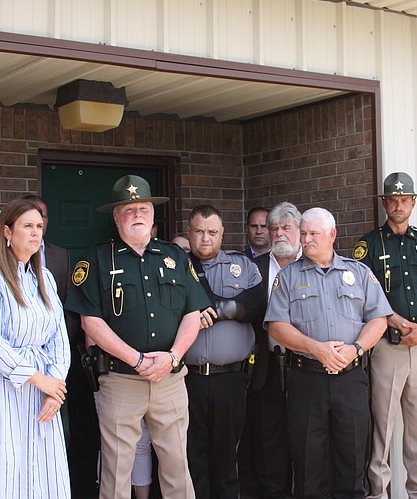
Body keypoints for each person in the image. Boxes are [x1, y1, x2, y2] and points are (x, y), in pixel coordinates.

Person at [65, 174, 211, 499]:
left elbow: (193, 313)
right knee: (116, 471)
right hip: (121, 380)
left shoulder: (175, 256)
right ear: (116, 218)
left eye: (143, 208)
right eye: (128, 210)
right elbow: (90, 322)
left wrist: (172, 357)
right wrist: (138, 360)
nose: (137, 215)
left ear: (153, 214)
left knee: (177, 467)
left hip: (170, 380)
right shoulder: (97, 259)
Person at [266, 207, 390, 499]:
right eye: (304, 233)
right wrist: (316, 348)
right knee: (308, 464)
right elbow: (277, 327)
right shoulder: (288, 276)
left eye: (314, 234)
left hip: (350, 378)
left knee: (353, 459)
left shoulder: (358, 272)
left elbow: (379, 319)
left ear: (332, 235)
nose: (306, 239)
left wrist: (355, 349)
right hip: (307, 379)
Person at [0, 198, 71, 498]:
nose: (36, 232)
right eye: (27, 226)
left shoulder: (44, 279)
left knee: (44, 469)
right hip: (2, 388)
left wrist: (54, 387)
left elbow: (59, 339)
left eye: (39, 226)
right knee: (4, 466)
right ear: (7, 232)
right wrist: (37, 378)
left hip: (44, 393)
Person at [353, 172, 417, 499]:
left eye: (404, 200)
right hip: (386, 348)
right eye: (392, 200)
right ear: (384, 203)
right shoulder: (368, 245)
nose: (398, 206)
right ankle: (378, 493)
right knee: (381, 428)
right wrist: (395, 322)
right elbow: (363, 297)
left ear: (413, 203)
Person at [185, 204, 266, 498]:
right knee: (192, 459)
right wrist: (233, 309)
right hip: (187, 379)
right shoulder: (177, 266)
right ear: (189, 232)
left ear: (222, 233)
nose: (205, 238)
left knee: (227, 461)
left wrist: (218, 309)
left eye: (212, 232)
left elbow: (258, 305)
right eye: (199, 231)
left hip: (230, 380)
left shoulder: (243, 266)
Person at [22, 194, 99, 498]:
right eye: (29, 221)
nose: (37, 226)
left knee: (60, 431)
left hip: (56, 359)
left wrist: (58, 348)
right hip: (22, 368)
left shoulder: (60, 256)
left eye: (41, 219)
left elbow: (68, 307)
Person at [248, 201, 302, 498]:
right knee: (269, 436)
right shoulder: (252, 269)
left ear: (299, 230)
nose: (279, 233)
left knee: (307, 435)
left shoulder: (314, 264)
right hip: (266, 365)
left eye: (286, 228)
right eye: (274, 228)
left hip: (306, 365)